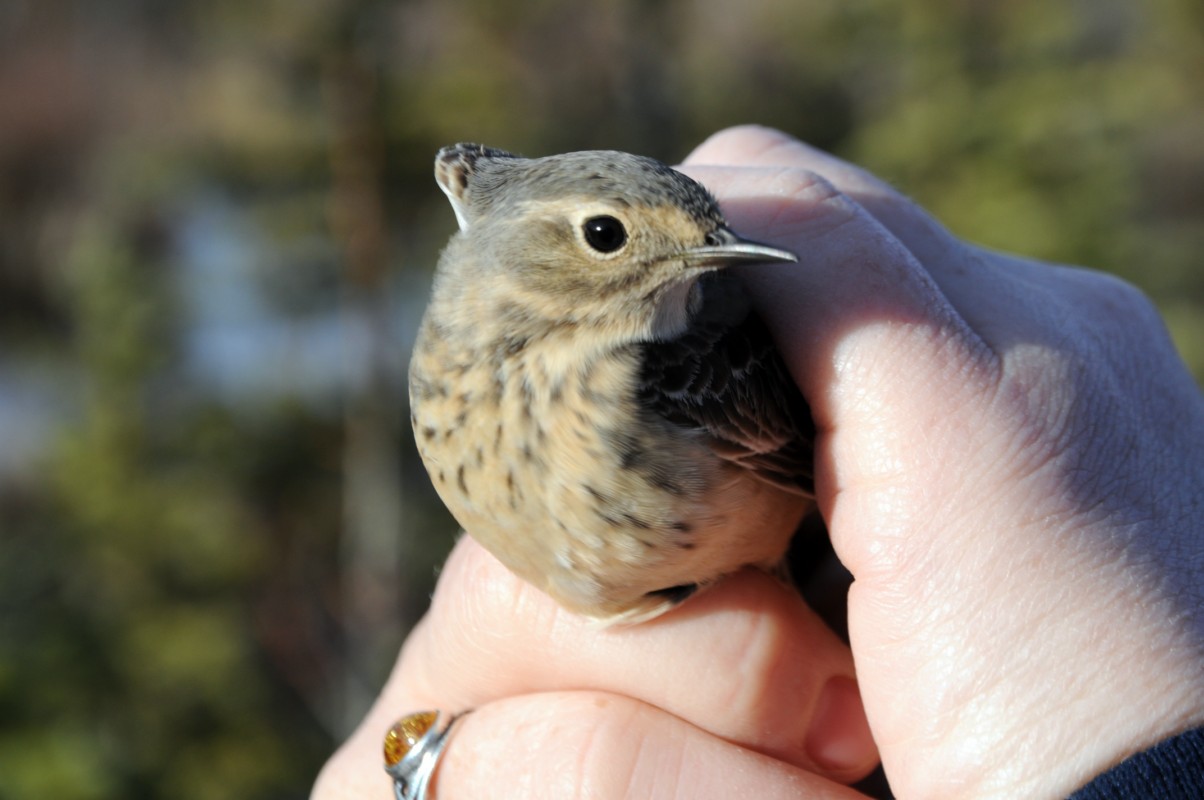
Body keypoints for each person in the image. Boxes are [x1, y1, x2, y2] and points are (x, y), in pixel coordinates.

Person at [312, 126, 1204, 799]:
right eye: (608, 237)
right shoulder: (452, 375)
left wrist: (1133, 760)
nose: (692, 271)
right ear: (517, 249)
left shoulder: (678, 366)